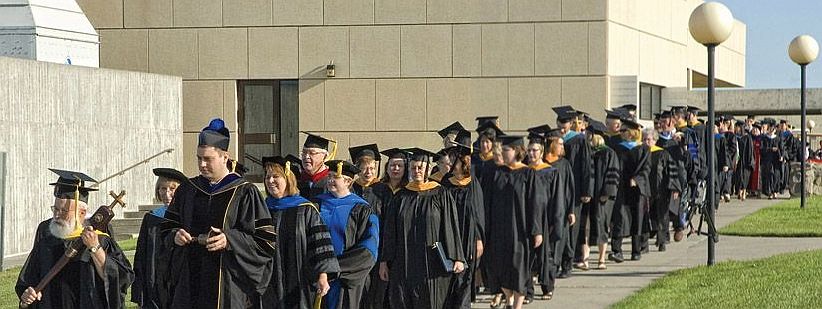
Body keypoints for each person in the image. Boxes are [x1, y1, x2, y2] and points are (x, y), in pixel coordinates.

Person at [161, 118, 276, 308]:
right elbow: (166, 228)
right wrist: (175, 236)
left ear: (225, 157)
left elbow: (266, 240)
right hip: (189, 282)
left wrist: (230, 240)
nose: (202, 164)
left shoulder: (244, 192)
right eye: (199, 158)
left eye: (208, 159)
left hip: (228, 284)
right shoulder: (188, 190)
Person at [17, 169, 134, 308]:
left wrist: (95, 248)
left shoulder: (100, 237)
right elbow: (31, 275)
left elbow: (121, 278)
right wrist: (28, 292)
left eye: (64, 211)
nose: (57, 215)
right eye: (55, 209)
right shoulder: (46, 232)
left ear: (82, 213)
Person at [380, 148, 465, 309]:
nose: (416, 171)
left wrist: (457, 257)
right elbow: (390, 231)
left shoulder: (441, 193)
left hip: (432, 262)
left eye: (420, 167)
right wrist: (385, 261)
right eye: (413, 167)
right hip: (404, 262)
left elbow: (451, 226)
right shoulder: (400, 196)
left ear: (427, 168)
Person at [261, 155, 339, 309]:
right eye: (267, 177)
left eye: (276, 176)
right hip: (267, 283)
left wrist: (323, 274)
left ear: (288, 178)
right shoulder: (261, 210)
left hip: (300, 283)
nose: (270, 181)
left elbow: (320, 245)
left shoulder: (305, 209)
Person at [484, 136, 544, 309]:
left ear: (517, 151)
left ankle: (516, 305)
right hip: (498, 231)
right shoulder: (497, 173)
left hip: (520, 231)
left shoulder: (528, 173)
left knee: (518, 270)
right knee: (499, 269)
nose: (502, 152)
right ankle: (508, 297)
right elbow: (487, 202)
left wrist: (537, 230)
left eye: (506, 150)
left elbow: (535, 203)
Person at [316, 160, 380, 309]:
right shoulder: (316, 204)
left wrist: (333, 268)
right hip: (317, 276)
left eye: (335, 177)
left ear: (348, 181)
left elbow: (369, 249)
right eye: (329, 176)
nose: (330, 180)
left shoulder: (362, 209)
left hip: (344, 278)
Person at [132, 168, 187, 309]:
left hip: (179, 283)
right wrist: (139, 291)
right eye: (163, 188)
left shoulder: (187, 219)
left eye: (172, 188)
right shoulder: (152, 218)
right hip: (154, 282)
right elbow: (141, 256)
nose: (167, 194)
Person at [442, 143, 486, 308]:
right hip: (449, 236)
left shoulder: (473, 183)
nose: (451, 161)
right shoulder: (446, 183)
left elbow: (479, 213)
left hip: (468, 237)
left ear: (463, 162)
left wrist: (479, 239)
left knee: (465, 278)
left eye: (454, 158)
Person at [349, 144, 392, 309]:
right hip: (355, 249)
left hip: (377, 248)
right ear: (358, 169)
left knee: (375, 294)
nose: (369, 172)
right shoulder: (351, 189)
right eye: (365, 168)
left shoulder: (383, 190)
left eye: (372, 168)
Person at [552, 106, 592, 278]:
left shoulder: (579, 140)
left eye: (566, 123)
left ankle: (568, 263)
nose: (563, 126)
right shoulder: (553, 139)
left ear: (571, 123)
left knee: (571, 227)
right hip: (556, 189)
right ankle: (555, 262)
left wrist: (586, 190)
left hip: (574, 190)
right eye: (560, 123)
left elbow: (586, 166)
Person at [610, 119, 651, 262]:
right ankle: (616, 250)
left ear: (632, 132)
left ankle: (636, 250)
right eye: (621, 130)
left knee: (637, 218)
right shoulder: (617, 148)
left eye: (624, 130)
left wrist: (637, 179)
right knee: (619, 218)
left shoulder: (643, 149)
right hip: (621, 187)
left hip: (638, 189)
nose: (621, 133)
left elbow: (646, 169)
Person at [584, 121, 620, 268]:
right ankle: (585, 259)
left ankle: (601, 259)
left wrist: (607, 192)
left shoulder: (609, 153)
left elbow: (613, 174)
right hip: (588, 195)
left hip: (602, 196)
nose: (586, 136)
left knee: (601, 225)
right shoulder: (587, 152)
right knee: (586, 226)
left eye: (588, 134)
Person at [642, 129, 682, 252]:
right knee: (644, 216)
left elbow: (671, 171)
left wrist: (674, 188)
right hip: (644, 190)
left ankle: (662, 241)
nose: (647, 142)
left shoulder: (663, 154)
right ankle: (643, 244)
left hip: (661, 190)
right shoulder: (640, 153)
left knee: (662, 216)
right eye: (644, 139)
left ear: (655, 140)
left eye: (649, 139)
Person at [299, 133, 337, 202]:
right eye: (304, 153)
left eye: (312, 153)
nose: (306, 157)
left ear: (324, 157)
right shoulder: (297, 179)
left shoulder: (332, 180)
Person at [734, 121, 755, 201]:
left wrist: (749, 161)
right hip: (739, 160)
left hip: (746, 161)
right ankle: (739, 191)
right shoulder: (736, 137)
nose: (736, 128)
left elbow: (750, 150)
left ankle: (744, 192)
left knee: (745, 177)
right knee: (739, 176)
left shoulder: (747, 137)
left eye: (738, 127)